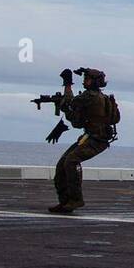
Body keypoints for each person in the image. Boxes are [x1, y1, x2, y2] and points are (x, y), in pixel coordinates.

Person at [49, 68, 119, 215]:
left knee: (70, 161)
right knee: (63, 163)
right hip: (93, 137)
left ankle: (75, 199)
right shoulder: (101, 97)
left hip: (95, 139)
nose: (84, 81)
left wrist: (67, 85)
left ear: (94, 82)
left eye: (87, 79)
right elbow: (78, 121)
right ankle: (66, 202)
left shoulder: (90, 96)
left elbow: (70, 104)